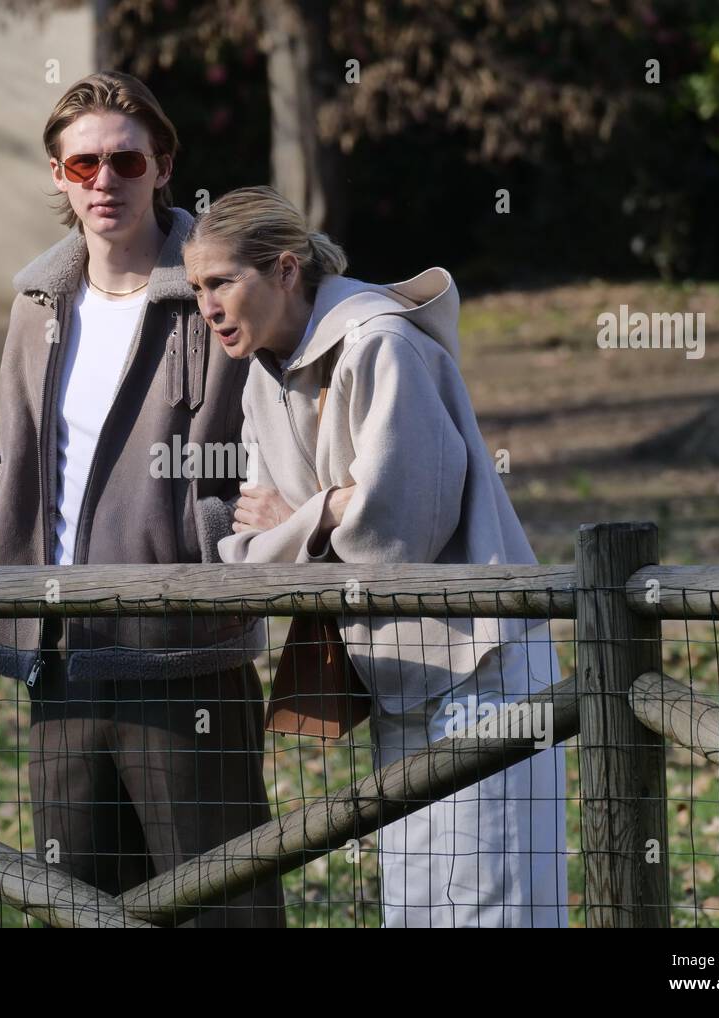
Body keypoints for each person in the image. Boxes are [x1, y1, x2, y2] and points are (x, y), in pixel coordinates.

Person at [0, 74, 284, 926]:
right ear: (57, 176)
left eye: (125, 160)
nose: (104, 181)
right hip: (61, 660)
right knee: (85, 907)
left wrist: (263, 511)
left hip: (185, 655)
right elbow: (39, 450)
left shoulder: (215, 289)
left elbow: (292, 409)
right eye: (82, 163)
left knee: (223, 912)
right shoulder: (36, 304)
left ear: (163, 166)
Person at [183, 185, 569, 927]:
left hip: (480, 665)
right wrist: (329, 509)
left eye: (222, 281)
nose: (208, 305)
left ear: (286, 269)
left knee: (492, 909)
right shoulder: (262, 376)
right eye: (199, 287)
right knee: (418, 911)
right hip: (395, 676)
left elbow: (395, 535)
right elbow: (246, 552)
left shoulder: (380, 343)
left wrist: (305, 517)